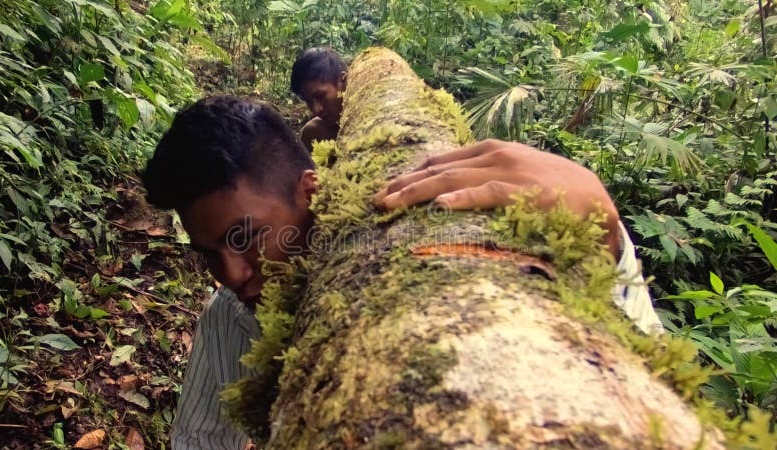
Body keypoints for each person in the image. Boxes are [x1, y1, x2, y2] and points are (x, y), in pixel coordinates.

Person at [142, 96, 661, 449]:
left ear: (309, 190)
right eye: (209, 253)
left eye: (246, 237)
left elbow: (644, 372)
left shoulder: (417, 235)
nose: (230, 276)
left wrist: (603, 232)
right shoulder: (229, 318)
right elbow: (200, 440)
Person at [290, 47, 346, 151]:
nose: (316, 110)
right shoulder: (313, 134)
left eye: (320, 96)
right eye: (309, 102)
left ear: (342, 82)